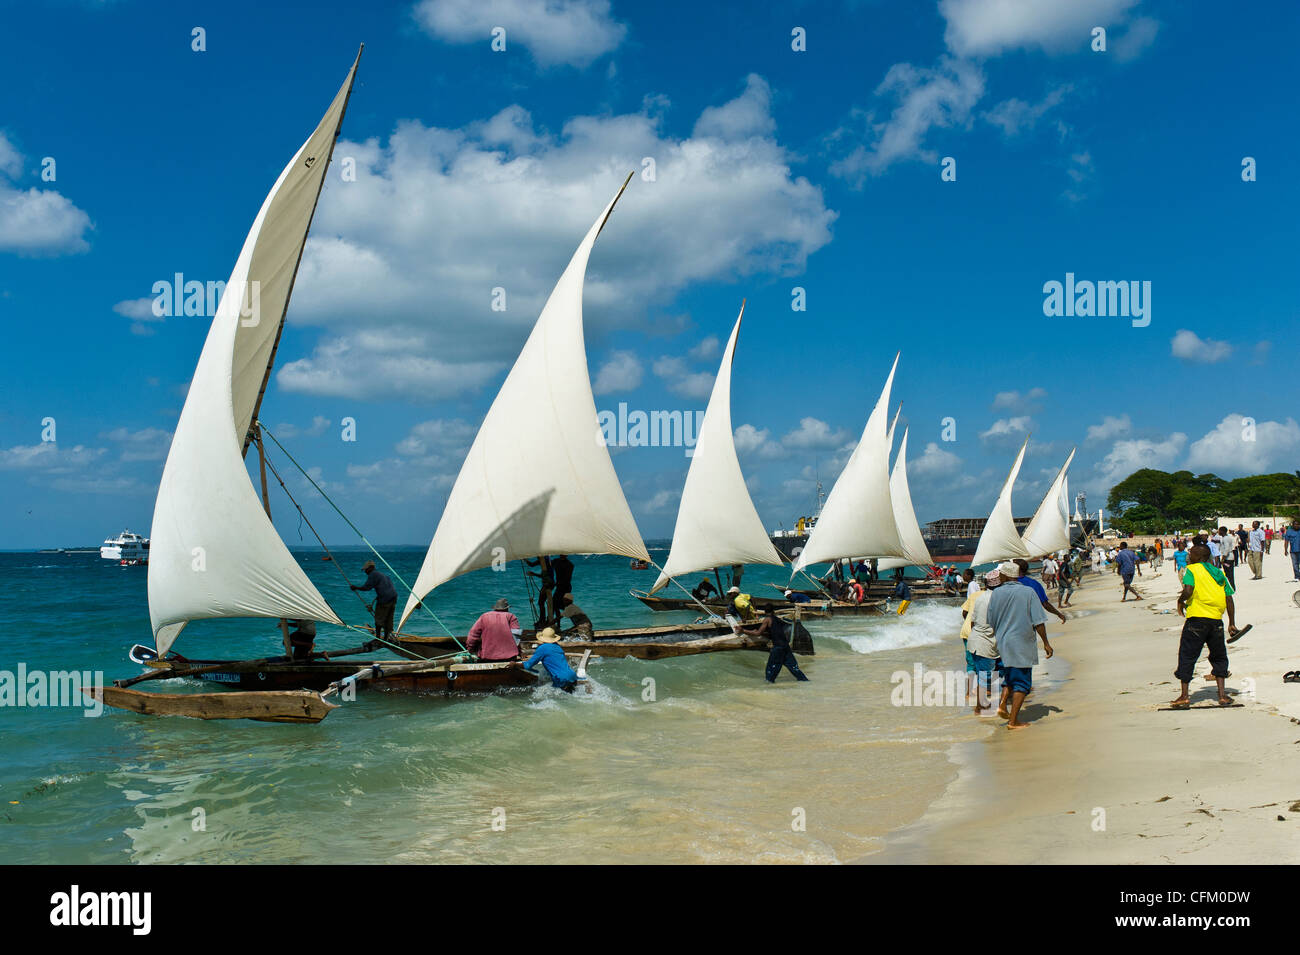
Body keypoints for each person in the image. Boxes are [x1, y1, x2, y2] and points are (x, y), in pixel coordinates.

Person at [1170, 544, 1240, 708]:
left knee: (1187, 655)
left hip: (1196, 620)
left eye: (1191, 553)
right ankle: (1222, 695)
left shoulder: (1192, 569)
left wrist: (1180, 601)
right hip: (1216, 621)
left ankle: (1184, 696)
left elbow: (1188, 589)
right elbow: (1229, 598)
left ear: (1197, 556)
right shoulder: (1219, 572)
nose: (1189, 555)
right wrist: (1232, 623)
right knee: (1219, 656)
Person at [988, 562, 1052, 729]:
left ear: (1005, 576)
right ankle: (1013, 721)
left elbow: (991, 621)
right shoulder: (1028, 592)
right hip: (1021, 643)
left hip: (1003, 643)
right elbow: (1038, 621)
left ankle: (1003, 705)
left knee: (1009, 676)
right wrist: (1046, 643)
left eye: (1000, 574)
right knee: (1022, 683)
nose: (998, 577)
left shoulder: (995, 594)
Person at [966, 569, 1002, 715]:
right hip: (986, 643)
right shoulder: (998, 599)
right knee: (985, 675)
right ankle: (979, 706)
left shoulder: (981, 597)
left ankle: (981, 704)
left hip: (975, 640)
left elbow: (972, 621)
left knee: (983, 673)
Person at [744, 606, 809, 683]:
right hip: (786, 646)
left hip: (778, 647)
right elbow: (776, 631)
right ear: (773, 612)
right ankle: (805, 681)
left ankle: (768, 685)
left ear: (765, 612)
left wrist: (743, 630)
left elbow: (758, 633)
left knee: (771, 668)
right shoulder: (778, 619)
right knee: (793, 667)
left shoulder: (767, 619)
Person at [352, 560, 398, 642]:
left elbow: (367, 587)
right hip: (393, 597)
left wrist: (356, 588)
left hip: (385, 599)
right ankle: (386, 638)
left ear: (371, 568)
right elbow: (387, 587)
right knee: (388, 619)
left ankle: (378, 638)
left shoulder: (373, 574)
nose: (365, 571)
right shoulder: (382, 575)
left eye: (366, 569)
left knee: (379, 620)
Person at [522, 627, 578, 692]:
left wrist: (515, 664)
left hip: (561, 679)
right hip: (573, 676)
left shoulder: (542, 648)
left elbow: (527, 666)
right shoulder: (557, 646)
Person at [1013, 559, 1067, 623]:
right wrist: (1059, 614)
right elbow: (1045, 604)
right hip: (1027, 622)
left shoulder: (1006, 583)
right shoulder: (1033, 583)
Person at [524, 556, 555, 628]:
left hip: (548, 583)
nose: (537, 558)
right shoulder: (544, 559)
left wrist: (533, 574)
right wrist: (525, 559)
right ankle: (543, 619)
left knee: (541, 602)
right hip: (549, 583)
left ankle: (542, 620)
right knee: (541, 602)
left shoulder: (545, 560)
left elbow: (544, 575)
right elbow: (531, 565)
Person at [550, 555, 575, 623]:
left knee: (566, 607)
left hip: (565, 587)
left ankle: (575, 621)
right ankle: (556, 624)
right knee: (554, 605)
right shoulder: (556, 561)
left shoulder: (569, 564)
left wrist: (556, 583)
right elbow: (549, 567)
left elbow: (567, 578)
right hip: (559, 586)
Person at [1285, 518, 1300, 582]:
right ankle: (1297, 576)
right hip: (1293, 551)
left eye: (1298, 524)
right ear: (1292, 525)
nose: (1297, 525)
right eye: (1295, 524)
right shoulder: (1289, 532)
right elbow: (1286, 541)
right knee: (1295, 564)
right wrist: (1285, 550)